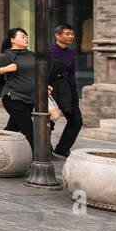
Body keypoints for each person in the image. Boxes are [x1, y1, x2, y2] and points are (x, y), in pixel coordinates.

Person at [0, 28, 45, 149]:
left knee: (12, 129)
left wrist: (44, 85)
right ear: (13, 40)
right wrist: (5, 69)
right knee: (30, 131)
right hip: (14, 98)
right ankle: (36, 161)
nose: (26, 38)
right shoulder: (7, 56)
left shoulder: (31, 55)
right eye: (22, 36)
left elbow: (34, 74)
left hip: (30, 99)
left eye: (26, 36)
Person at [48, 23, 83, 158]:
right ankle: (45, 150)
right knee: (48, 121)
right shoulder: (48, 50)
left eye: (72, 34)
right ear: (57, 35)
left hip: (68, 89)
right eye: (67, 34)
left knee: (76, 120)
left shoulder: (70, 52)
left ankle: (61, 150)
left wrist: (74, 90)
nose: (71, 37)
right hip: (52, 88)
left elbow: (71, 72)